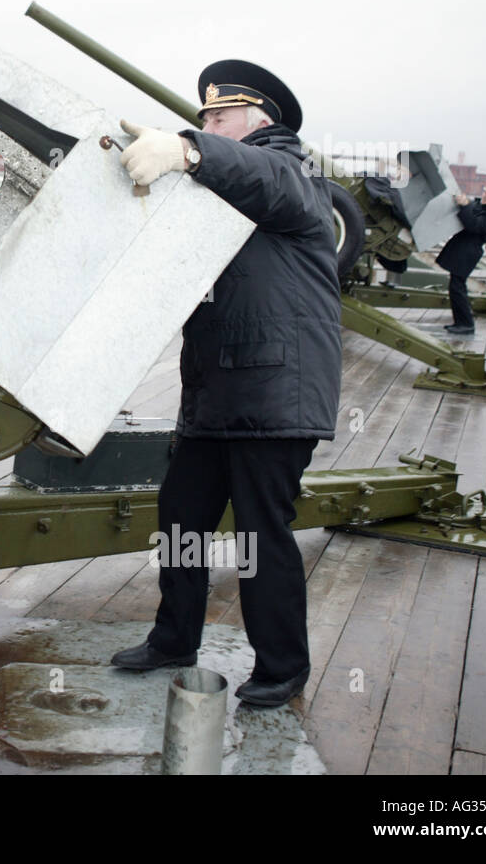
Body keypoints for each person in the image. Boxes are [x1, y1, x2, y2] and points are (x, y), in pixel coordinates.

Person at [106, 60, 342, 708]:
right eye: (203, 116)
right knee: (181, 519)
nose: (205, 122)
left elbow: (265, 178)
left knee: (261, 536)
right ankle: (174, 638)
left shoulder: (292, 170)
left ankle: (282, 667)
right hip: (215, 393)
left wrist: (186, 149)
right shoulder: (221, 183)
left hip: (275, 395)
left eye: (217, 116)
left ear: (260, 120)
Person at [435, 177, 486, 335]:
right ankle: (460, 322)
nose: (485, 195)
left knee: (458, 288)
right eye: (485, 192)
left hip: (468, 252)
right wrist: (464, 202)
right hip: (463, 250)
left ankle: (466, 324)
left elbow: (473, 225)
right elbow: (471, 211)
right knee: (456, 287)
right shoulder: (483, 207)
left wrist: (466, 205)